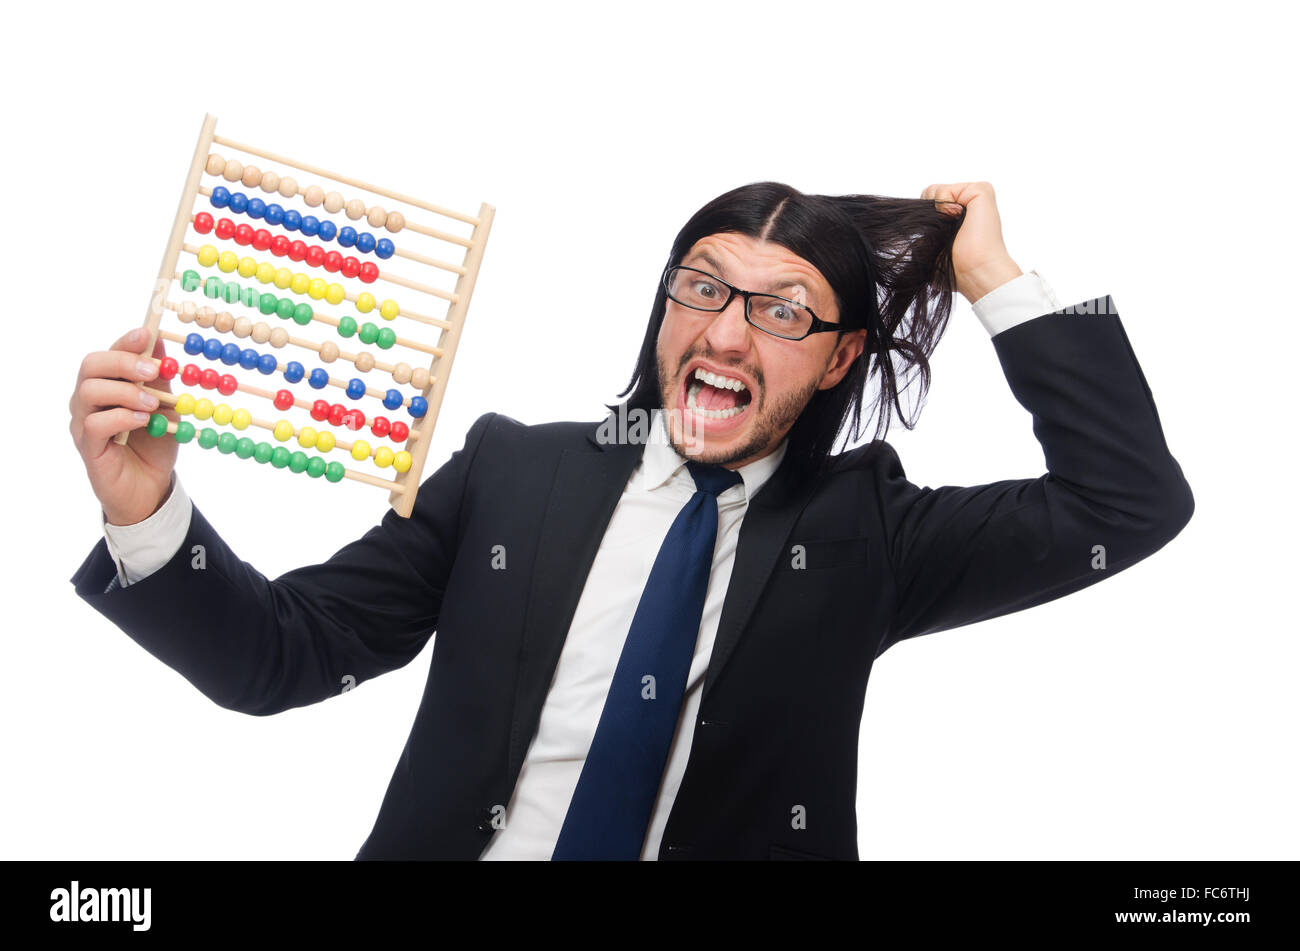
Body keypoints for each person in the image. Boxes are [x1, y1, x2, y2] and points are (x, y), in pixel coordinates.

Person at [68, 181, 1194, 860]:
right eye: (702, 288)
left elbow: (1125, 501)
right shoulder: (512, 472)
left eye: (782, 311)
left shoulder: (870, 534)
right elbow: (281, 658)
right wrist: (148, 513)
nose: (727, 336)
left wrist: (990, 273)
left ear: (844, 355)